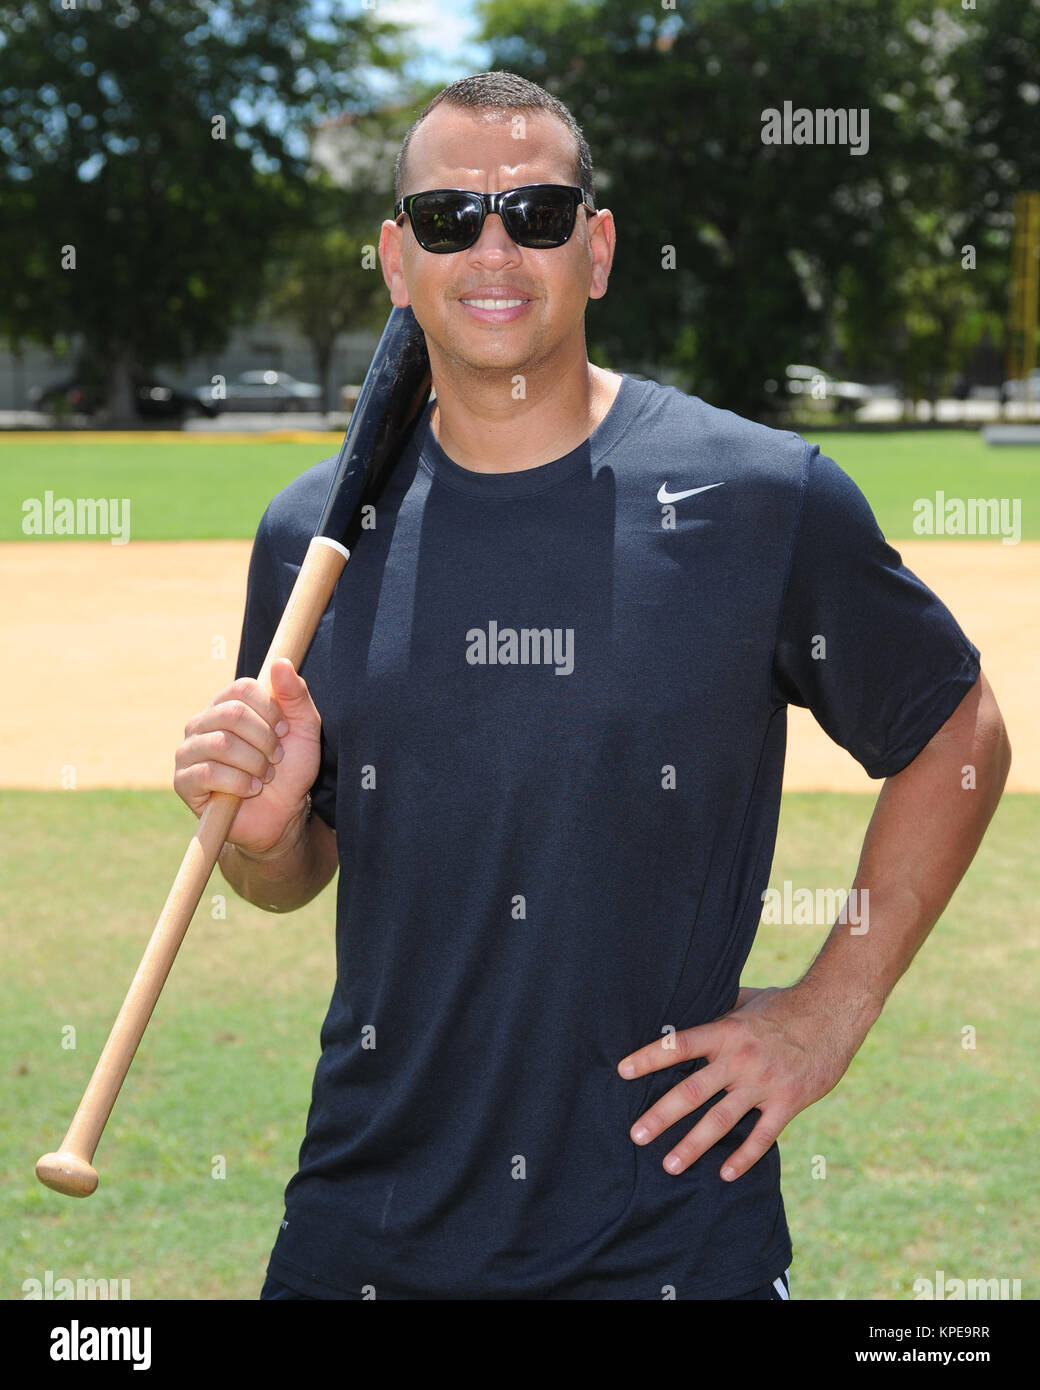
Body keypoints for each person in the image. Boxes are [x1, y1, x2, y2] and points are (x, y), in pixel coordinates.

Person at [174, 71, 1011, 1301]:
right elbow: (289, 877)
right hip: (365, 1231)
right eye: (452, 217)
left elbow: (957, 727)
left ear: (599, 248)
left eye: (538, 212)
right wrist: (265, 830)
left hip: (666, 1243)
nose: (495, 246)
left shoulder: (760, 497)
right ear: (397, 262)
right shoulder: (316, 538)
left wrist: (827, 1011)